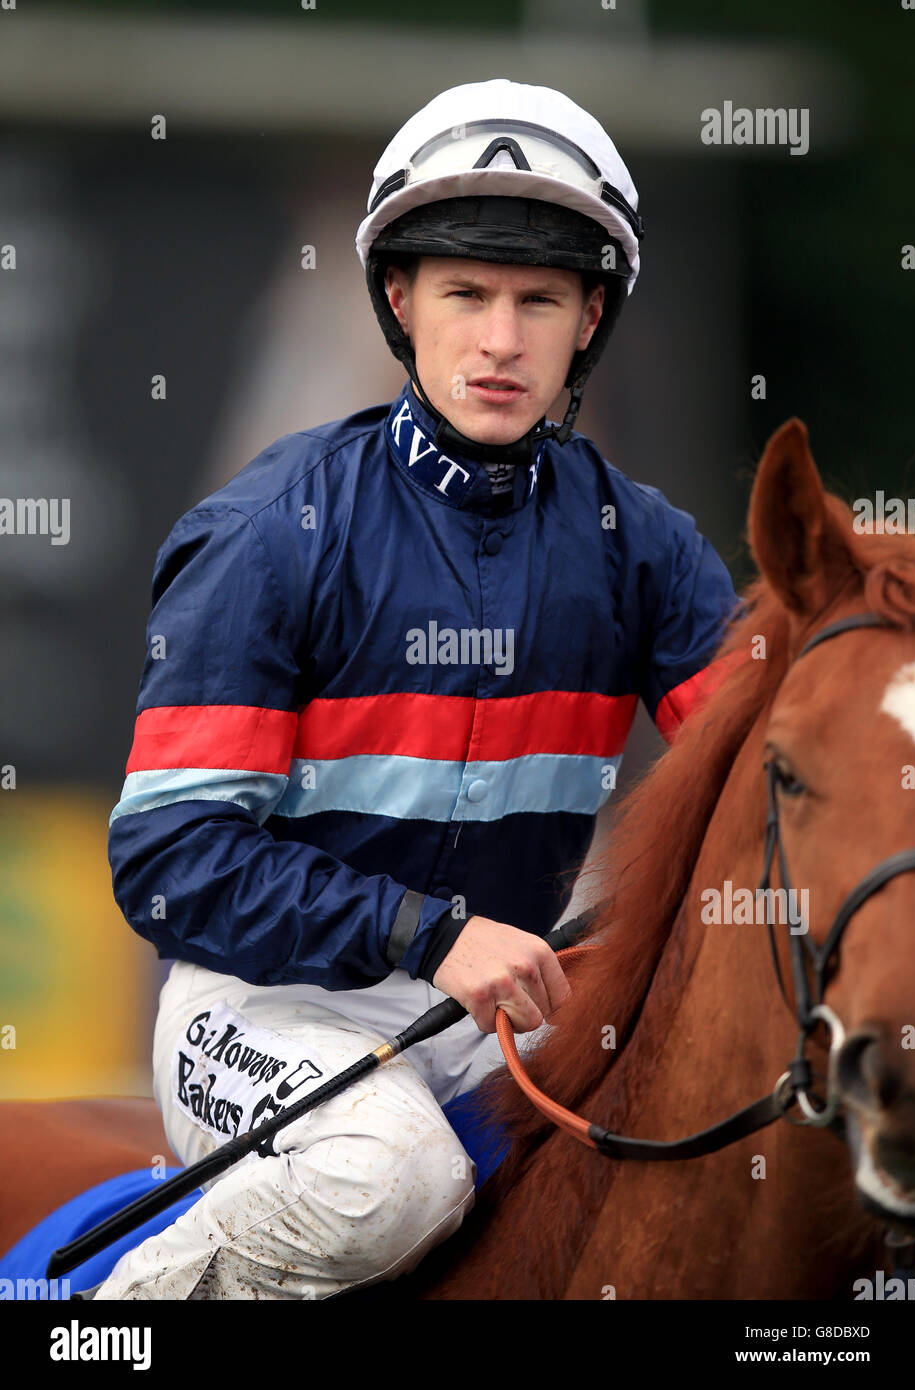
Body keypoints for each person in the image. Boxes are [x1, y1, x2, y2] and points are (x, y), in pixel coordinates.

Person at [94, 78, 738, 1300]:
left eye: (538, 301)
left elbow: (771, 766)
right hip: (266, 1010)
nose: (499, 341)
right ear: (400, 301)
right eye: (465, 295)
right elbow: (169, 858)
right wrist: (423, 933)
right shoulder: (267, 534)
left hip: (513, 1009)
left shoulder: (641, 546)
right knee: (394, 1181)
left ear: (588, 320)